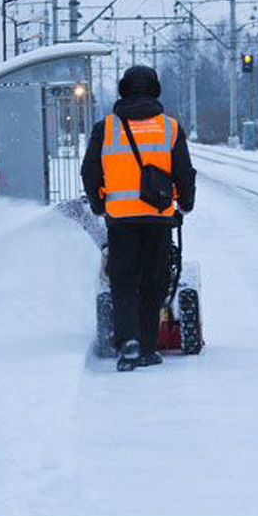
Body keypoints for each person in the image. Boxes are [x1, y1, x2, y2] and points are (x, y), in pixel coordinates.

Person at [81, 65, 196, 372]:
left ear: (122, 89)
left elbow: (89, 171)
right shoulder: (170, 128)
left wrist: (98, 204)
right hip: (158, 218)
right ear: (155, 90)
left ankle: (128, 343)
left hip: (120, 220)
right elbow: (184, 171)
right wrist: (185, 203)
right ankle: (148, 346)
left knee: (123, 280)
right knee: (154, 280)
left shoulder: (105, 128)